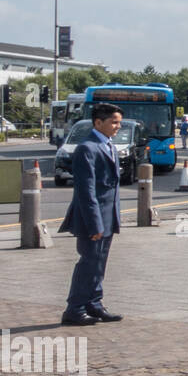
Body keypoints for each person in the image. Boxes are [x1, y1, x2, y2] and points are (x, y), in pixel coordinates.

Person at [58, 103, 126, 326]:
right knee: (88, 262)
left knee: (99, 263)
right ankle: (74, 309)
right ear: (98, 123)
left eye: (119, 122)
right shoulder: (87, 148)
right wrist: (95, 223)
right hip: (92, 218)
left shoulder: (109, 146)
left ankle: (94, 304)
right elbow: (86, 190)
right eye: (113, 122)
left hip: (108, 215)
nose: (118, 126)